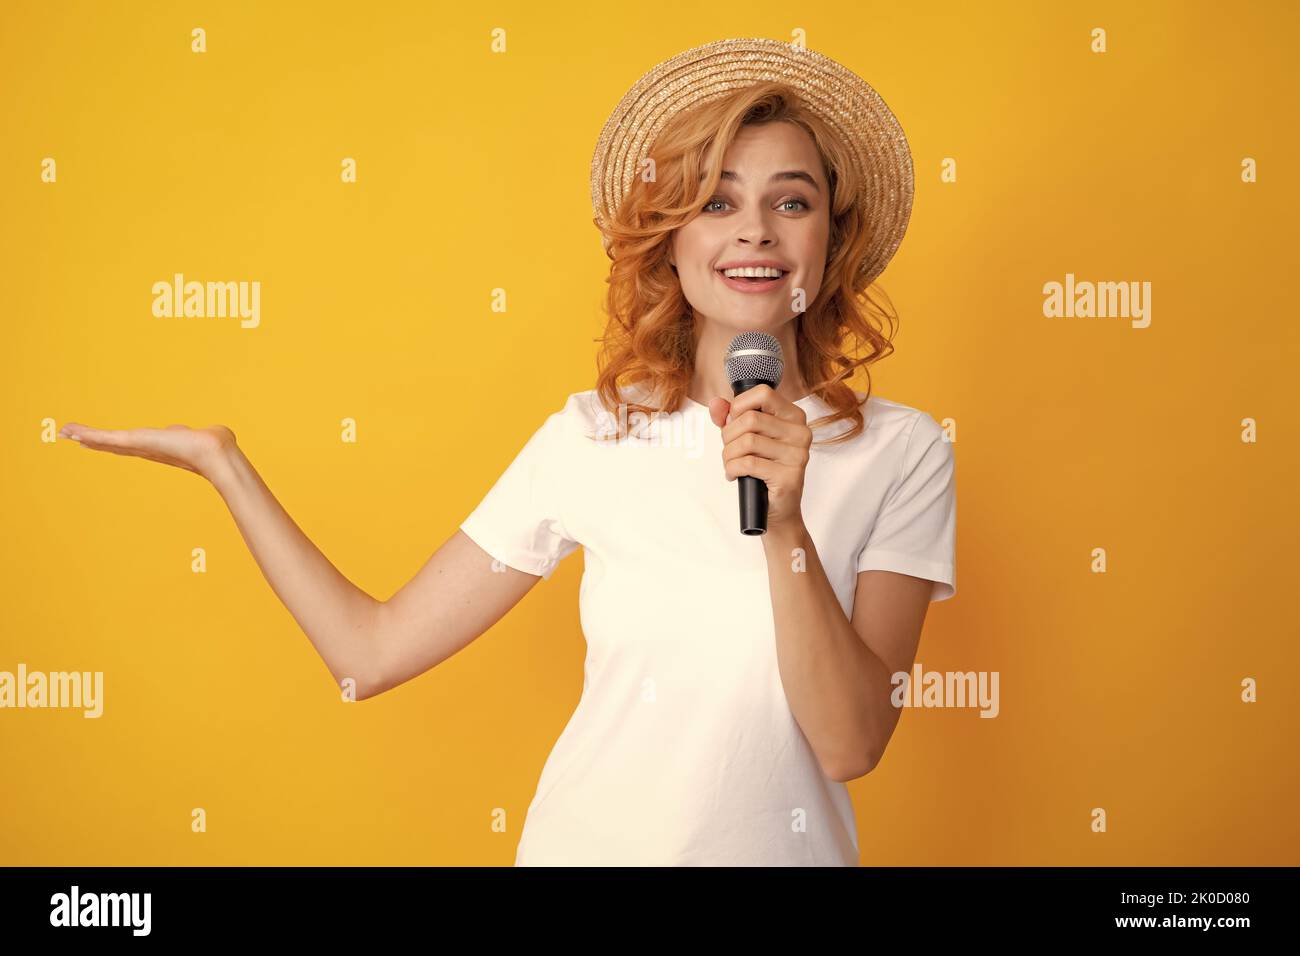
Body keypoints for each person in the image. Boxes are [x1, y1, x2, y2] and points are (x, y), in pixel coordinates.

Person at [57, 38, 955, 867]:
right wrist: (226, 466)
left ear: (827, 239)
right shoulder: (592, 434)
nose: (755, 229)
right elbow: (367, 656)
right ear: (671, 239)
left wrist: (784, 525)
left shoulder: (901, 453)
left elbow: (850, 744)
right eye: (717, 200)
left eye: (789, 200)